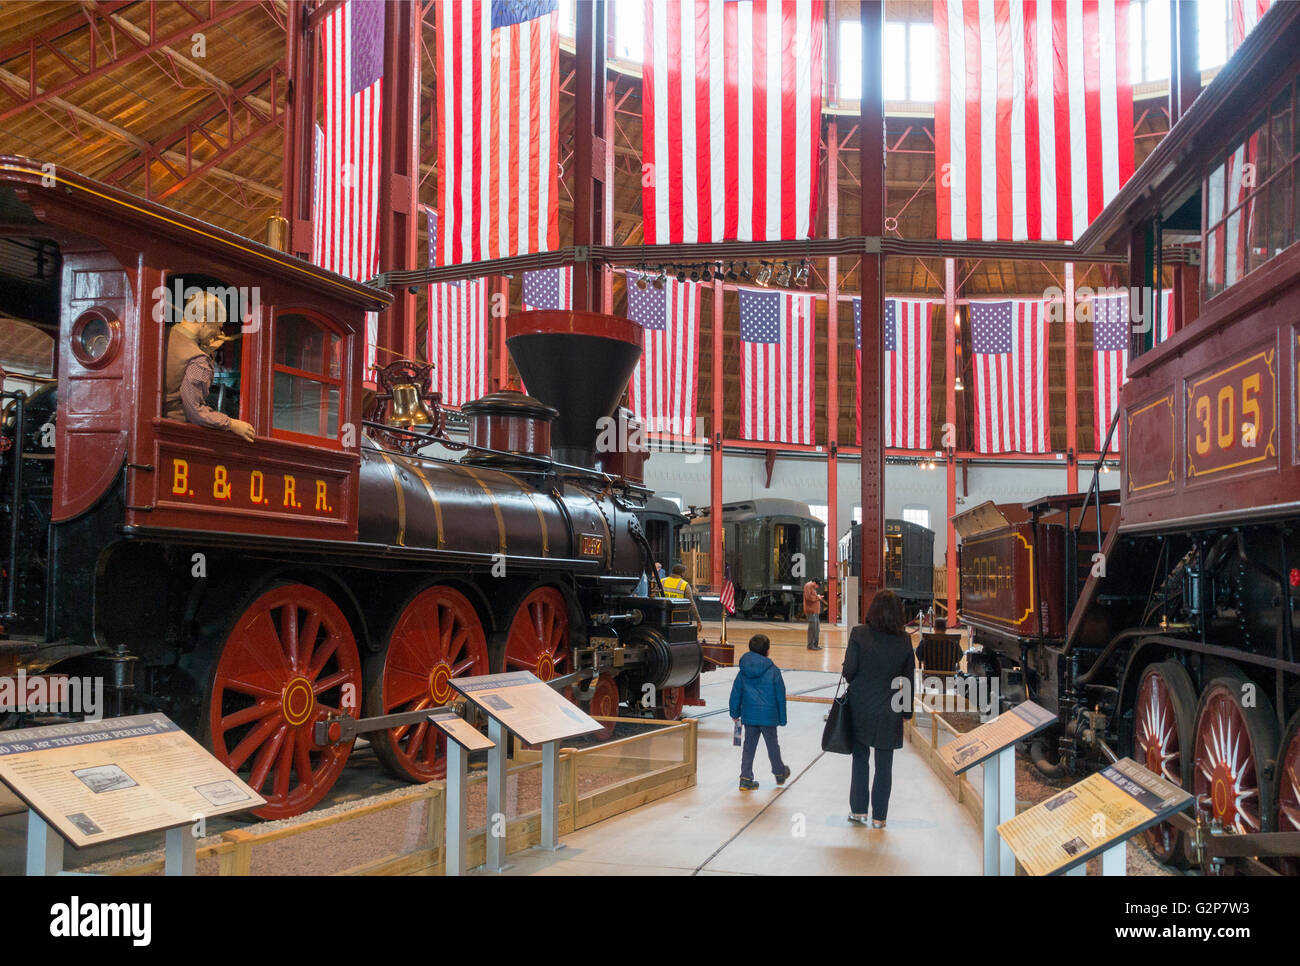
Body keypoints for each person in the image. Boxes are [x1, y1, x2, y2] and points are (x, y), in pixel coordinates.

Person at [842, 589, 915, 829]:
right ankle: (880, 817)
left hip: (860, 704)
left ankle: (859, 811)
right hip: (890, 707)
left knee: (860, 758)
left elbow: (849, 671)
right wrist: (907, 711)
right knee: (885, 764)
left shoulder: (859, 634)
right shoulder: (904, 640)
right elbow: (908, 679)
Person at [165, 291, 255, 442]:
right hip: (176, 435)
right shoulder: (198, 360)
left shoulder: (164, 334)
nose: (219, 333)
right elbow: (194, 409)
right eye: (218, 326)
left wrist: (206, 350)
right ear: (205, 321)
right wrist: (232, 424)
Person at [728, 634, 791, 790]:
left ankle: (745, 778)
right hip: (769, 717)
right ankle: (779, 773)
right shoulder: (774, 670)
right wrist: (782, 719)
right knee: (772, 746)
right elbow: (780, 696)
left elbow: (736, 693)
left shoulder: (743, 671)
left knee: (748, 747)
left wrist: (734, 713)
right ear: (767, 651)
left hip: (749, 716)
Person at [661, 563, 703, 635]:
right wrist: (698, 620)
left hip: (663, 617)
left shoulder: (662, 581)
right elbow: (691, 605)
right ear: (682, 573)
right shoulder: (684, 585)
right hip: (679, 619)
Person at [803, 578, 825, 650]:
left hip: (815, 611)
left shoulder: (811, 587)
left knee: (817, 629)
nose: (818, 587)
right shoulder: (808, 586)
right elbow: (808, 597)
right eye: (817, 585)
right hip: (811, 611)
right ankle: (810, 645)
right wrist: (818, 597)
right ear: (814, 583)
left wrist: (817, 597)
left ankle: (815, 645)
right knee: (812, 628)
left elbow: (812, 597)